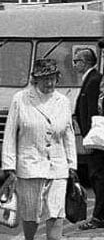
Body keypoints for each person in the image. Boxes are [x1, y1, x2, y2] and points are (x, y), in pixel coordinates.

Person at [2, 58, 77, 240]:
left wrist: (72, 164)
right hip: (30, 167)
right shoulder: (21, 99)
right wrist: (9, 166)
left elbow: (68, 135)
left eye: (53, 78)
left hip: (57, 167)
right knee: (31, 215)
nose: (49, 83)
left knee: (55, 213)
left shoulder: (63, 101)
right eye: (45, 79)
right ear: (35, 80)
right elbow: (10, 133)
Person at [72, 48, 103, 230]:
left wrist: (90, 138)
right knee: (97, 177)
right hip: (93, 138)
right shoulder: (90, 79)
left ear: (85, 62)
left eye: (76, 60)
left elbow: (92, 112)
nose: (74, 64)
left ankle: (99, 217)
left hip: (96, 141)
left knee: (98, 177)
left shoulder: (93, 80)